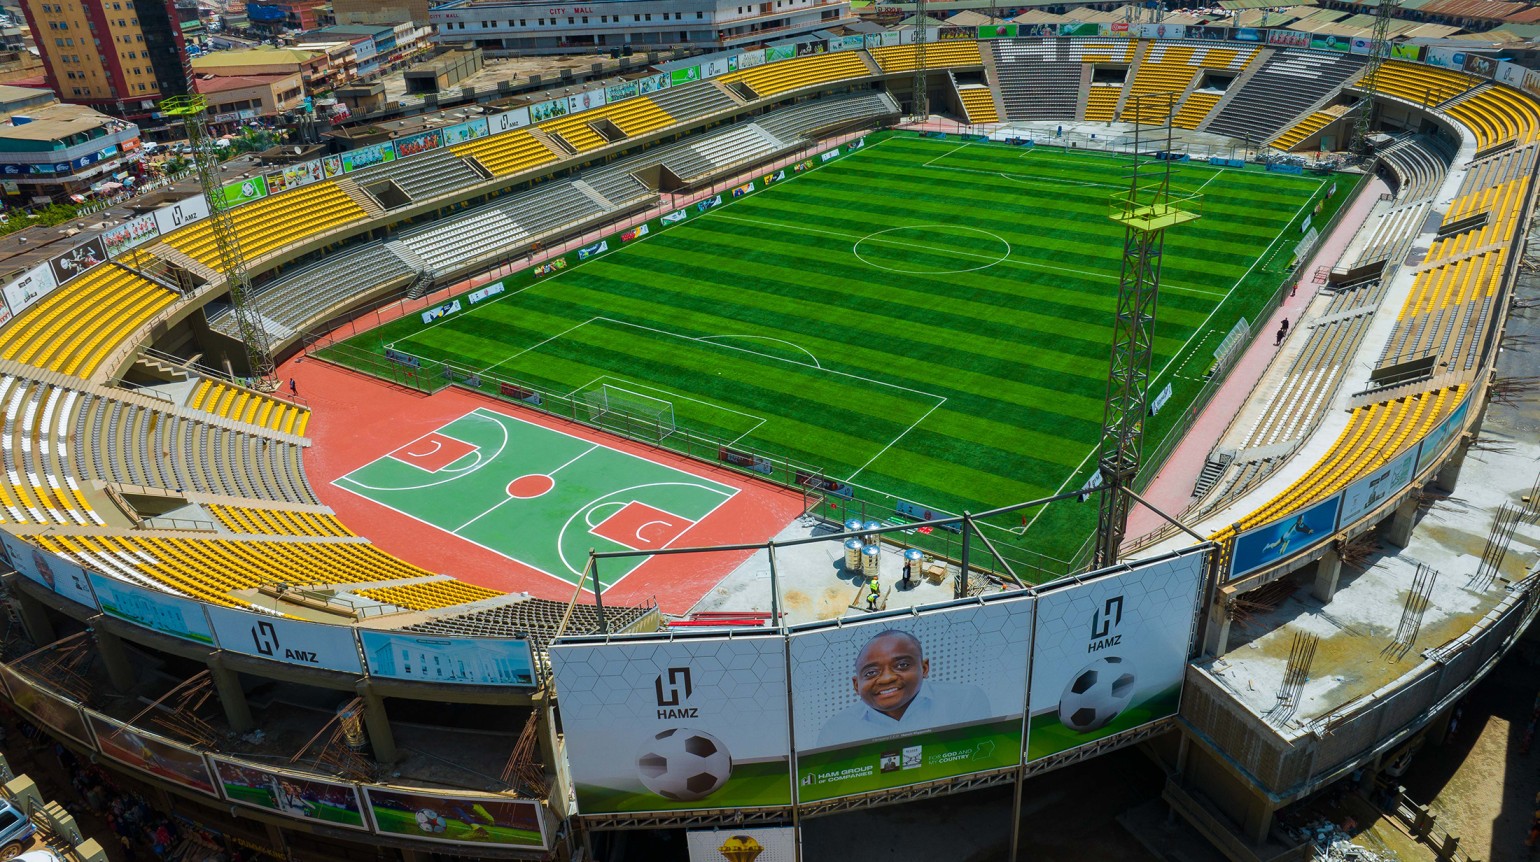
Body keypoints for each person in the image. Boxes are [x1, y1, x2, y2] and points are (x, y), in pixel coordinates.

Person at [816, 630, 992, 748]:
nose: (886, 678)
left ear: (924, 668)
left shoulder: (965, 700)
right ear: (856, 685)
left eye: (902, 665)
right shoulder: (836, 730)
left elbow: (980, 757)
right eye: (871, 672)